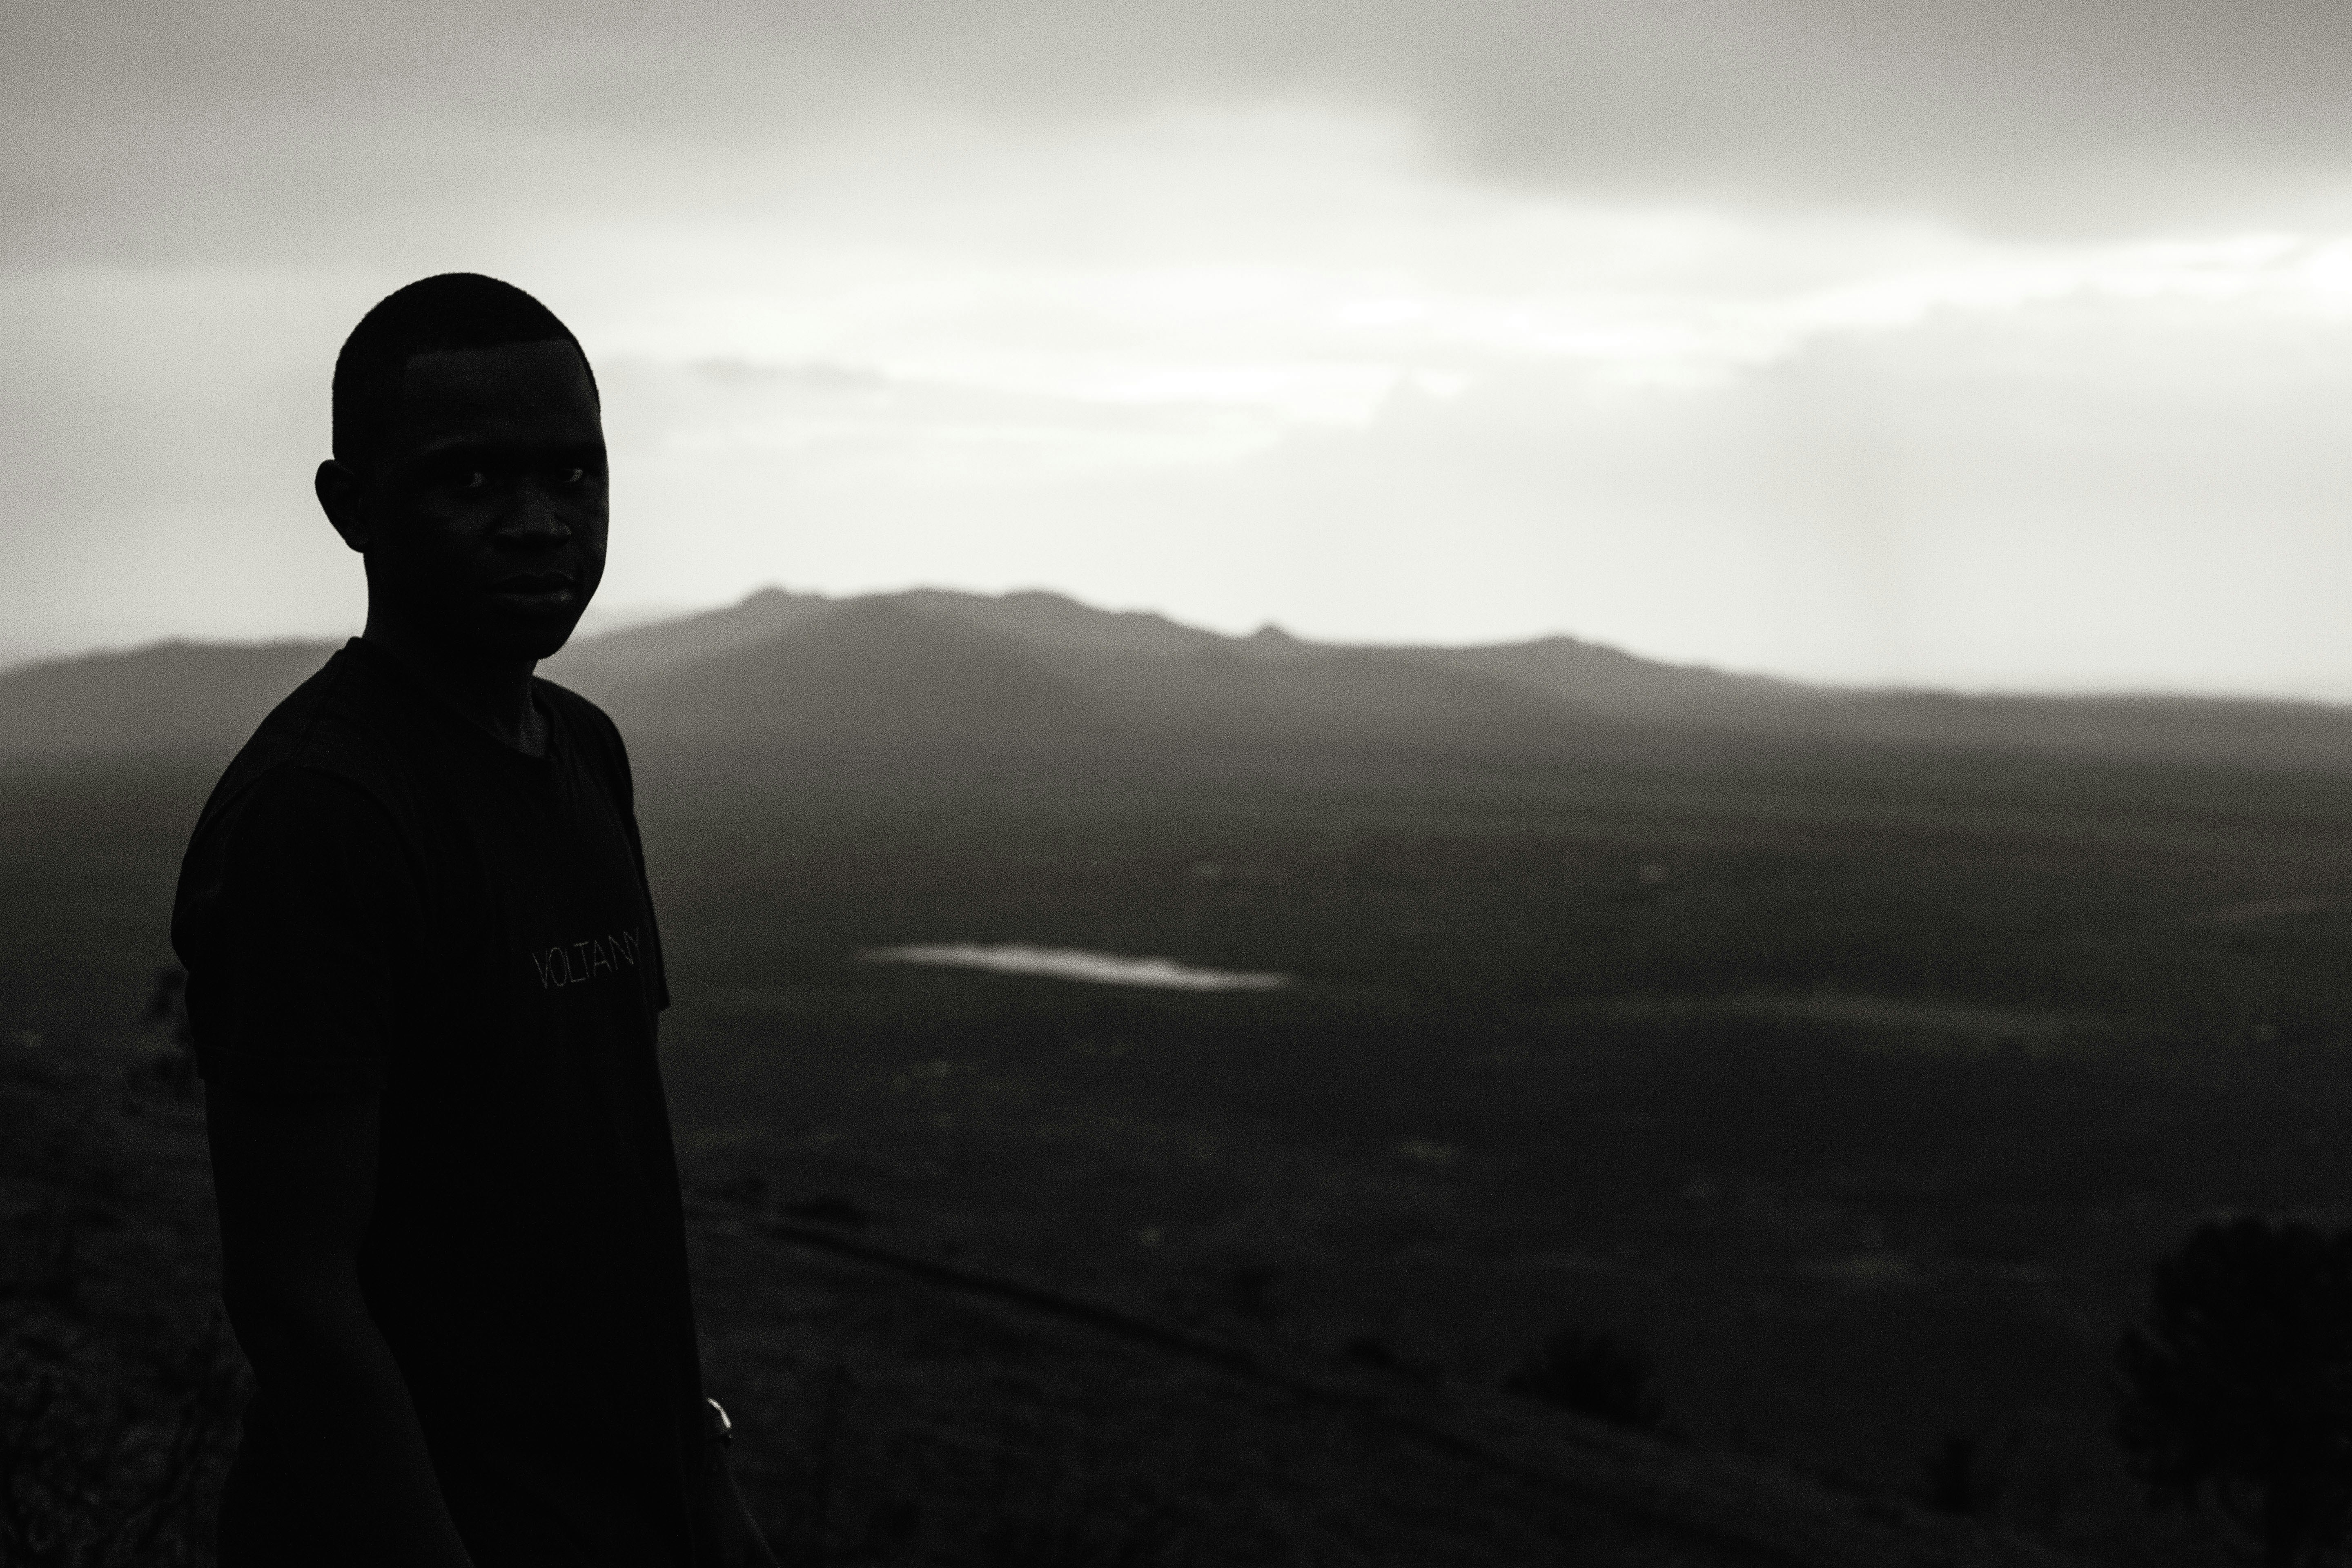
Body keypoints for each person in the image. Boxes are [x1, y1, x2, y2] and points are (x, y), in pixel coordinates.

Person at [172, 274, 780, 1567]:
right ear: (350, 509)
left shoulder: (584, 752)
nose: (536, 523)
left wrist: (701, 1481)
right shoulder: (324, 813)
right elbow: (293, 1295)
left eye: (573, 475)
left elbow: (608, 1182)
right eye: (469, 482)